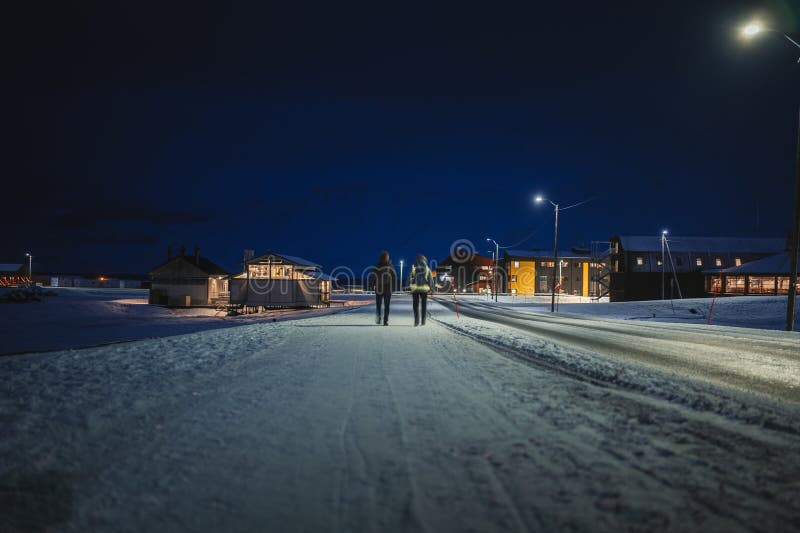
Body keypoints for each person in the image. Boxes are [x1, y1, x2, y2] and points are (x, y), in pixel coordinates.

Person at [371, 251, 397, 326]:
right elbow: (394, 277)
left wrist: (372, 285)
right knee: (387, 305)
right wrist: (394, 288)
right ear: (387, 258)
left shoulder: (377, 265)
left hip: (379, 287)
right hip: (388, 288)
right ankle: (385, 321)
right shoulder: (390, 266)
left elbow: (372, 276)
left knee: (378, 304)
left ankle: (379, 318)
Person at [408, 254, 434, 326]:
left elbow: (408, 277)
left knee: (415, 305)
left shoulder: (413, 268)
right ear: (425, 260)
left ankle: (416, 321)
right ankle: (423, 321)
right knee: (424, 305)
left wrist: (407, 286)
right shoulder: (427, 269)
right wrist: (432, 289)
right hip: (424, 289)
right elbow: (430, 280)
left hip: (415, 289)